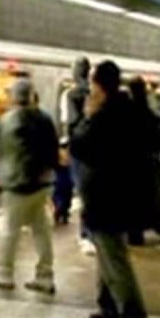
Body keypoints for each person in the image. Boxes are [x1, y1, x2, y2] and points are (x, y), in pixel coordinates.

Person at [70, 61, 150, 318]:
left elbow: (79, 147)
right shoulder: (129, 109)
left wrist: (88, 117)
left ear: (100, 86)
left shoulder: (104, 116)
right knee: (108, 254)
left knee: (114, 258)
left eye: (92, 83)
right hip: (121, 194)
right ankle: (108, 307)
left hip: (106, 197)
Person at [0, 79, 58, 294]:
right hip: (42, 183)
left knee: (9, 229)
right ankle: (45, 276)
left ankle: (4, 273)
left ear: (13, 97)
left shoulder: (6, 120)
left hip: (16, 184)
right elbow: (53, 149)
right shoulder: (45, 119)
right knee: (41, 230)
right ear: (31, 96)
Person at [127, 78, 160, 246]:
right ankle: (150, 227)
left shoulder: (125, 112)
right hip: (146, 162)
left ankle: (133, 234)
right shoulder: (149, 114)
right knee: (145, 197)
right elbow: (159, 138)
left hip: (127, 163)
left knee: (130, 199)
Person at [61, 57, 96, 255]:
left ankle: (86, 235)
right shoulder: (94, 92)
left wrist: (67, 147)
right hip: (96, 148)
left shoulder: (72, 94)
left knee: (84, 193)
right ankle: (92, 233)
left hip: (79, 148)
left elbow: (72, 123)